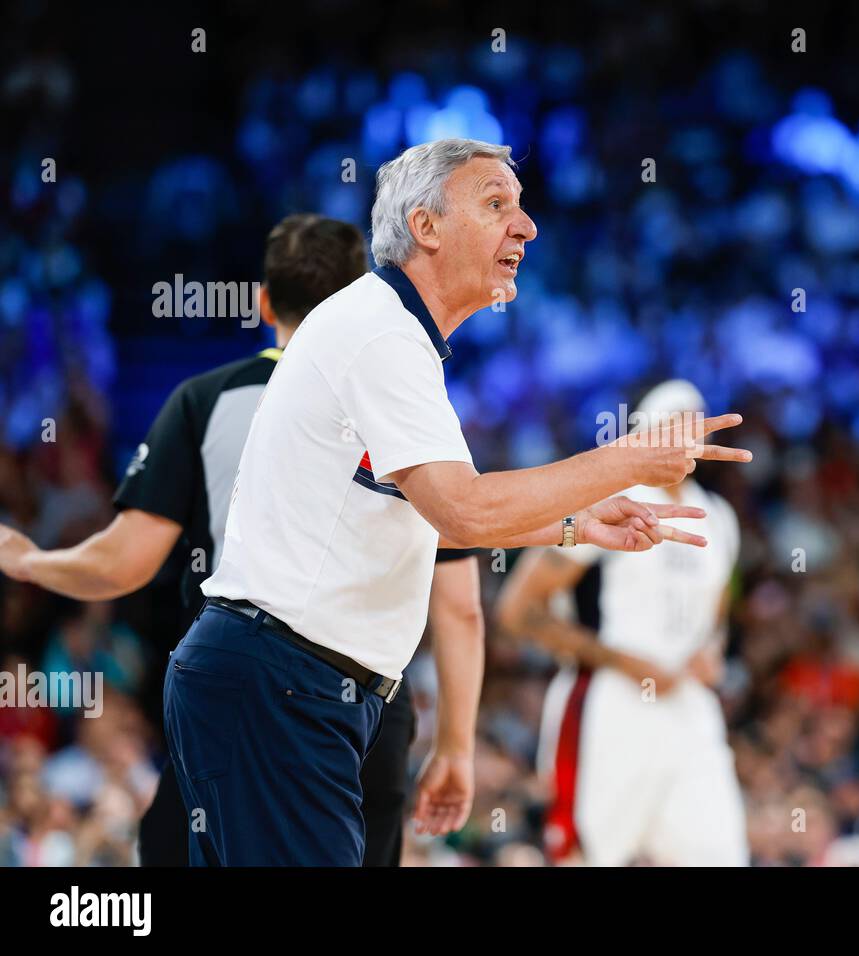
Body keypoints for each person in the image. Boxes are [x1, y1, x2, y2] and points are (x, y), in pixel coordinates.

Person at [154, 137, 752, 865]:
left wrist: (571, 523)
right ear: (425, 226)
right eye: (497, 204)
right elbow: (463, 513)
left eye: (523, 208)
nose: (527, 227)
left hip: (286, 684)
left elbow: (423, 510)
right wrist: (629, 459)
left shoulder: (392, 335)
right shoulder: (381, 333)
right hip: (277, 681)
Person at [0, 214, 479, 866]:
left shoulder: (209, 398)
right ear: (361, 294)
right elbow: (459, 602)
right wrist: (456, 744)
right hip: (372, 700)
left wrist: (30, 560)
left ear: (261, 301)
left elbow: (124, 563)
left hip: (245, 693)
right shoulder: (410, 395)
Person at [497, 380, 749, 866]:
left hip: (688, 705)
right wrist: (621, 660)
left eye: (692, 422)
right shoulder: (609, 501)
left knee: (717, 852)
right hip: (607, 698)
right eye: (671, 424)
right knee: (590, 854)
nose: (684, 434)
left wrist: (712, 650)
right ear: (643, 432)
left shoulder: (719, 518)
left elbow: (716, 615)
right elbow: (517, 610)